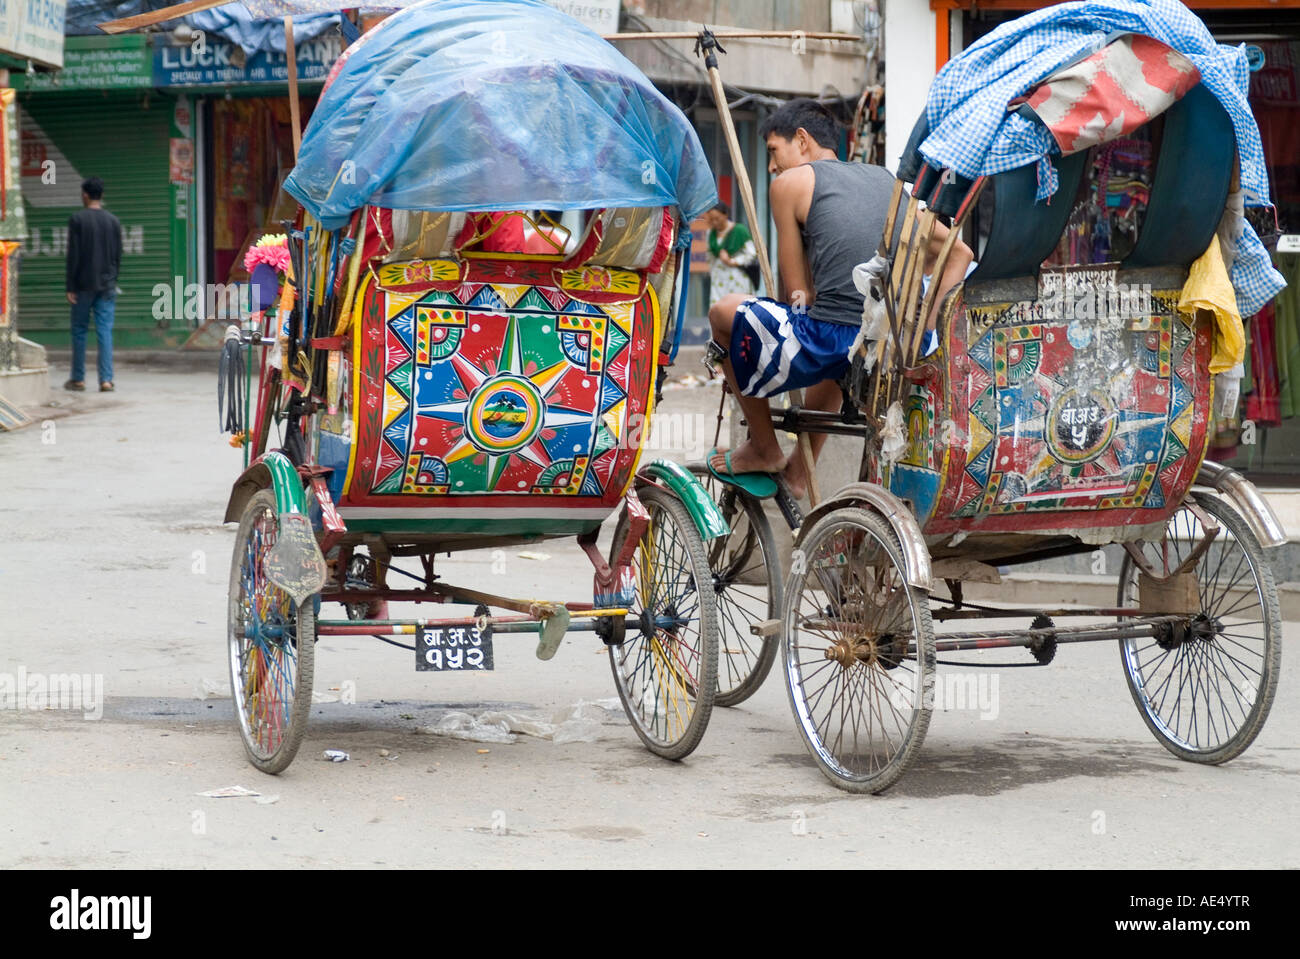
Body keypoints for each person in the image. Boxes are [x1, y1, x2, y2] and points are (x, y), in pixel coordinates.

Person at [707, 99, 973, 498]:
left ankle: (764, 448)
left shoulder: (789, 185)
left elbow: (797, 295)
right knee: (847, 341)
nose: (772, 167)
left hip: (833, 339)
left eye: (773, 152)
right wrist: (926, 328)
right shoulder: (887, 182)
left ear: (801, 140)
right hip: (885, 347)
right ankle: (799, 472)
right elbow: (960, 253)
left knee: (723, 312)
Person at [65, 176, 122, 392]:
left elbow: (74, 255)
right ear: (102, 195)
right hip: (106, 285)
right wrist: (112, 279)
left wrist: (70, 286)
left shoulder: (77, 219)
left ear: (85, 195)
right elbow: (118, 256)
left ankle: (78, 379)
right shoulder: (113, 221)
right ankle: (106, 380)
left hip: (82, 285)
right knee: (104, 331)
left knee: (79, 330)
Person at [704, 201, 756, 304]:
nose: (714, 222)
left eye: (717, 219)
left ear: (725, 215)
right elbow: (710, 256)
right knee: (718, 308)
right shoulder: (710, 233)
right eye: (711, 220)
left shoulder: (739, 230)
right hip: (718, 279)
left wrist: (732, 261)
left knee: (737, 307)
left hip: (737, 278)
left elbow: (752, 253)